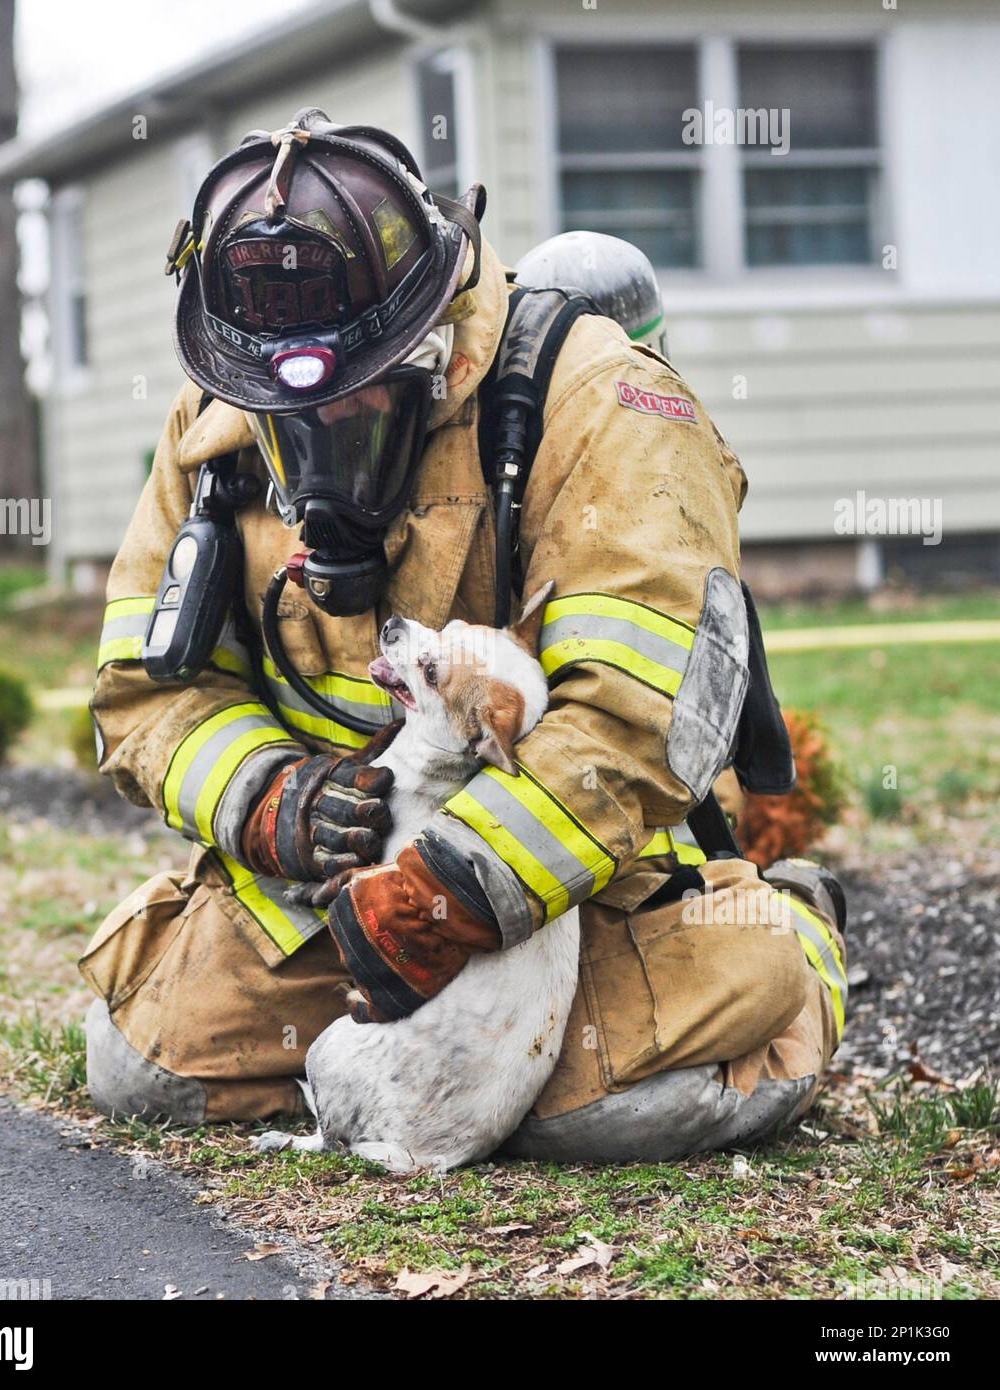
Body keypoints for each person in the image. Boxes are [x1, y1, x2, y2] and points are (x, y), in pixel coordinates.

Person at [79, 108, 847, 1160]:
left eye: (348, 404)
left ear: (428, 338)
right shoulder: (214, 424)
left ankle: (795, 934)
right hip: (333, 888)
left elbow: (638, 720)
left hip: (563, 882)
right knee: (149, 1067)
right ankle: (354, 1059)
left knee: (596, 1114)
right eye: (281, 411)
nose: (311, 446)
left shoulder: (599, 401)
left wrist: (450, 892)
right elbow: (142, 693)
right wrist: (268, 797)